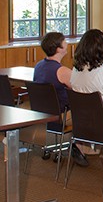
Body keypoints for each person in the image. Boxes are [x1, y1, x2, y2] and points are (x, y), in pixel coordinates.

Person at [33, 31, 89, 166]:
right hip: (62, 115)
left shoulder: (39, 66)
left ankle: (81, 145)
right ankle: (80, 146)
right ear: (59, 48)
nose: (67, 44)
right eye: (65, 42)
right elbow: (82, 89)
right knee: (90, 110)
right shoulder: (62, 71)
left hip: (43, 113)